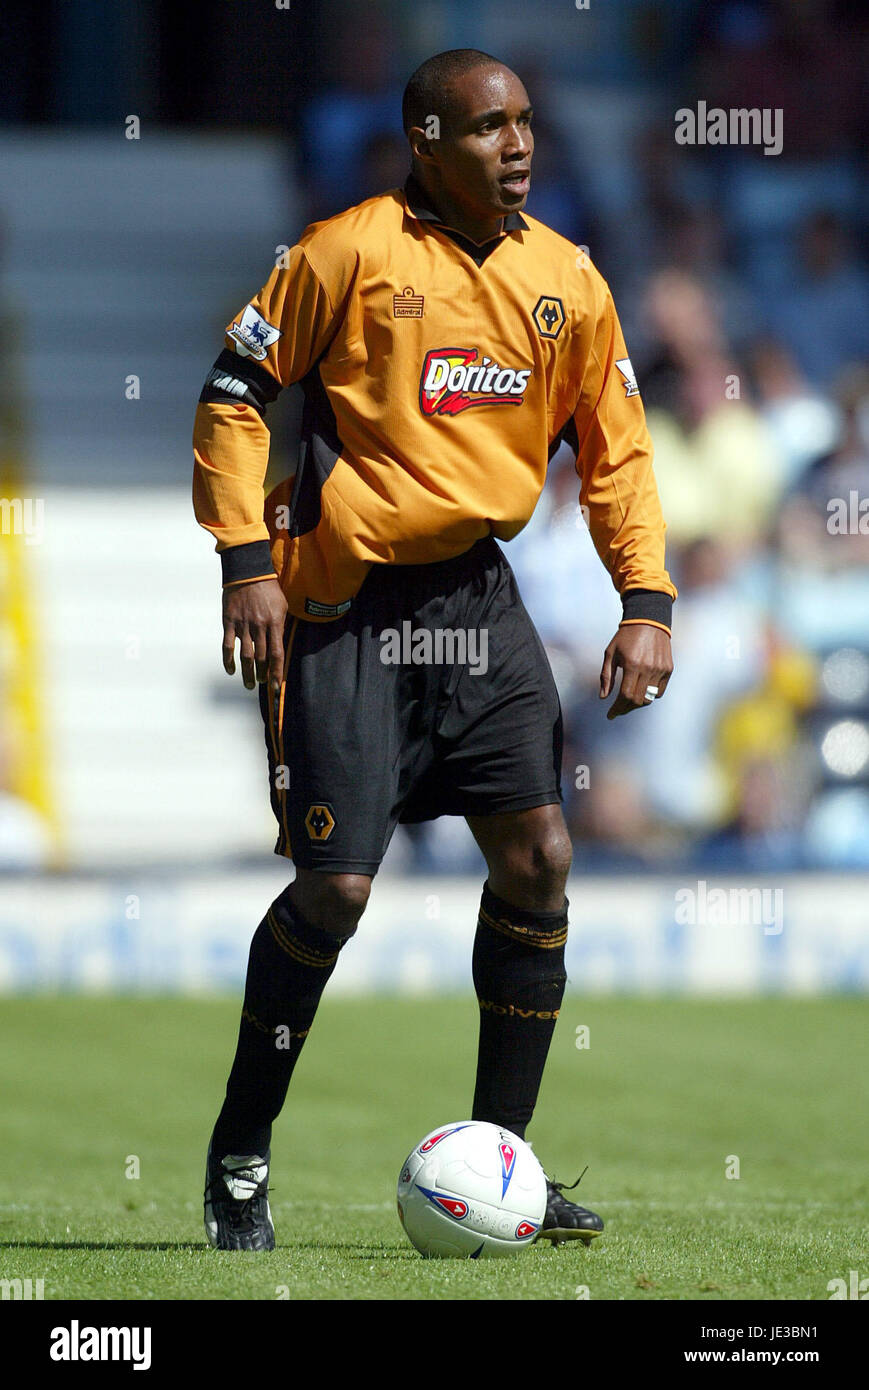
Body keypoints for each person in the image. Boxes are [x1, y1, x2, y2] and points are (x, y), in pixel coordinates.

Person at [192, 49, 676, 1251]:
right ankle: (240, 1155)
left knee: (539, 855)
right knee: (336, 890)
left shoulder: (567, 281)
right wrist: (246, 561)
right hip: (345, 606)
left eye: (522, 125)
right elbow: (234, 390)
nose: (514, 147)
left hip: (477, 596)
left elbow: (613, 450)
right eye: (484, 128)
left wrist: (644, 599)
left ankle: (504, 1162)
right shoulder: (342, 252)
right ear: (422, 138)